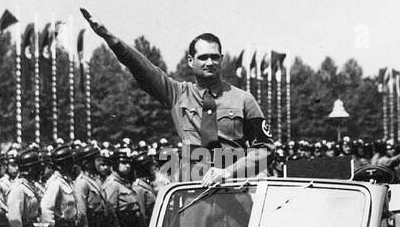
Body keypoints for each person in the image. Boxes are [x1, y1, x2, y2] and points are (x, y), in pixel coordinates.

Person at [81, 11, 271, 182]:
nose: (210, 62)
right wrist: (109, 38)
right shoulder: (178, 94)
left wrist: (230, 171)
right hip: (193, 193)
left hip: (234, 193)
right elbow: (143, 67)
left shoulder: (244, 99)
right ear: (191, 61)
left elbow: (265, 149)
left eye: (215, 57)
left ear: (221, 59)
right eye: (203, 57)